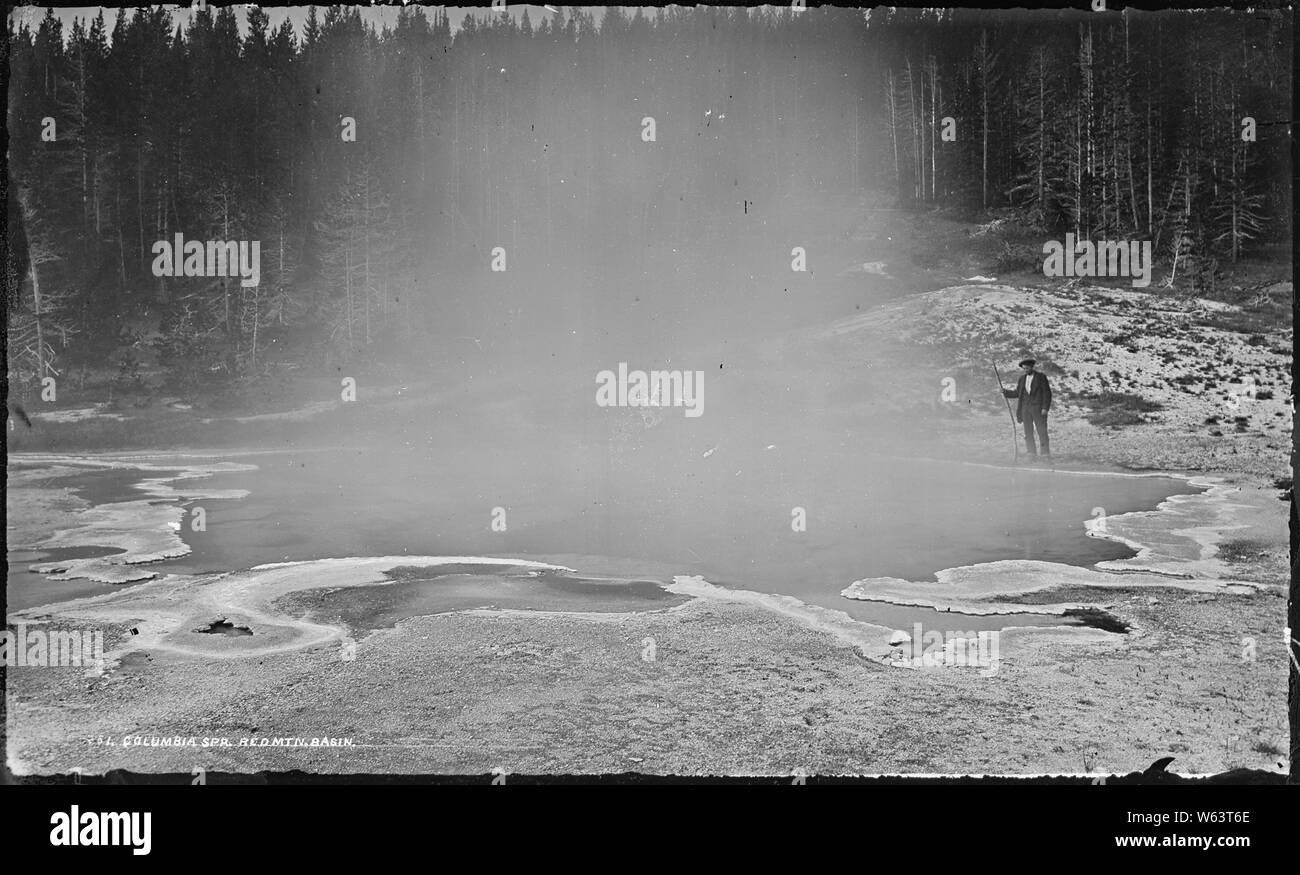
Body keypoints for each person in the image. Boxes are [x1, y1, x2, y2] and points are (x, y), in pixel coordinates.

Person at [1002, 358, 1051, 461]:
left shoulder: (1041, 377)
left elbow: (1047, 393)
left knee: (1042, 431)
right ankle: (1031, 453)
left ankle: (1045, 454)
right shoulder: (1022, 379)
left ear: (1032, 367)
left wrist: (1045, 408)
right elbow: (1017, 393)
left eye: (1027, 368)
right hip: (1025, 410)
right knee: (1028, 432)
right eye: (1024, 368)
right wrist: (1005, 392)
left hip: (1038, 409)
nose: (1025, 370)